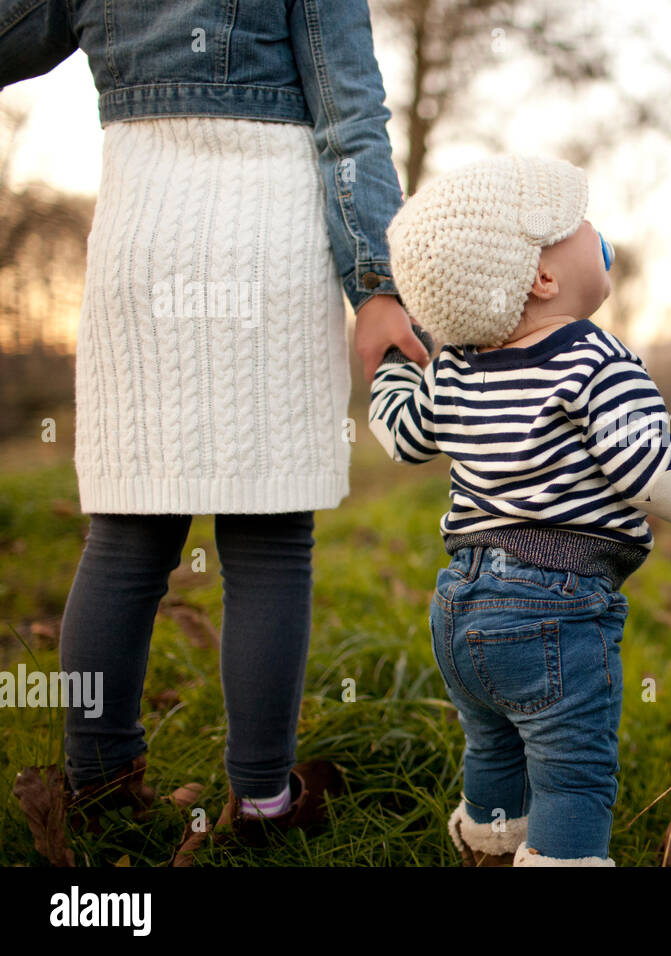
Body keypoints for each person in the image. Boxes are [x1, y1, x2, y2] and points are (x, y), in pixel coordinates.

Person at [1, 0, 428, 865]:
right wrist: (375, 285)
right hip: (268, 248)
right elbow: (351, 116)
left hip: (142, 240)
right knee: (269, 543)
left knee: (124, 537)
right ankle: (265, 797)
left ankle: (97, 785)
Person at [369, 155, 671, 866]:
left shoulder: (454, 366)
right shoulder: (596, 360)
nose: (596, 231)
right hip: (555, 608)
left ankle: (489, 844)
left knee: (493, 744)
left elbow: (400, 433)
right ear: (543, 278)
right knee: (573, 772)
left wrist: (394, 366)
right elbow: (651, 470)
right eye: (578, 224)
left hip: (459, 609)